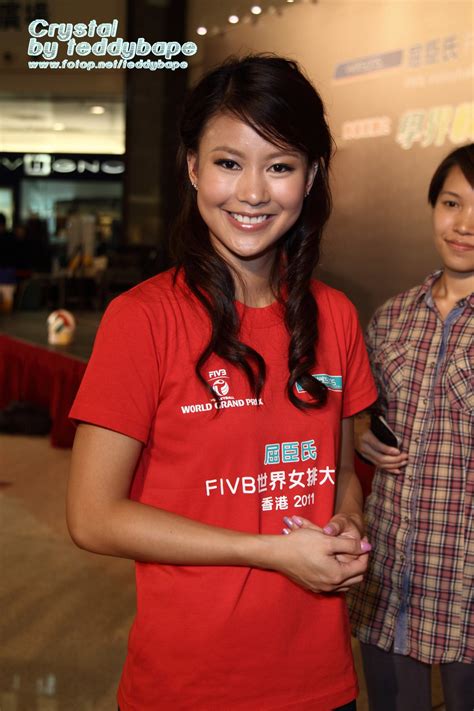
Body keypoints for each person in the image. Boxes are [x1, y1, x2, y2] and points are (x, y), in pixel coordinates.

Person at [67, 55, 377, 711]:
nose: (253, 192)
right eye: (229, 162)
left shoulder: (336, 316)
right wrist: (269, 552)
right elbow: (93, 516)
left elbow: (341, 471)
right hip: (189, 686)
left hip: (320, 681)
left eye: (280, 166)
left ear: (312, 176)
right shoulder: (143, 319)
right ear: (192, 167)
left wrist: (347, 523)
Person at [347, 145, 474, 711]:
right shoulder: (392, 317)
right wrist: (359, 431)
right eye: (451, 203)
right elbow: (362, 410)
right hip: (392, 579)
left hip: (466, 583)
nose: (464, 224)